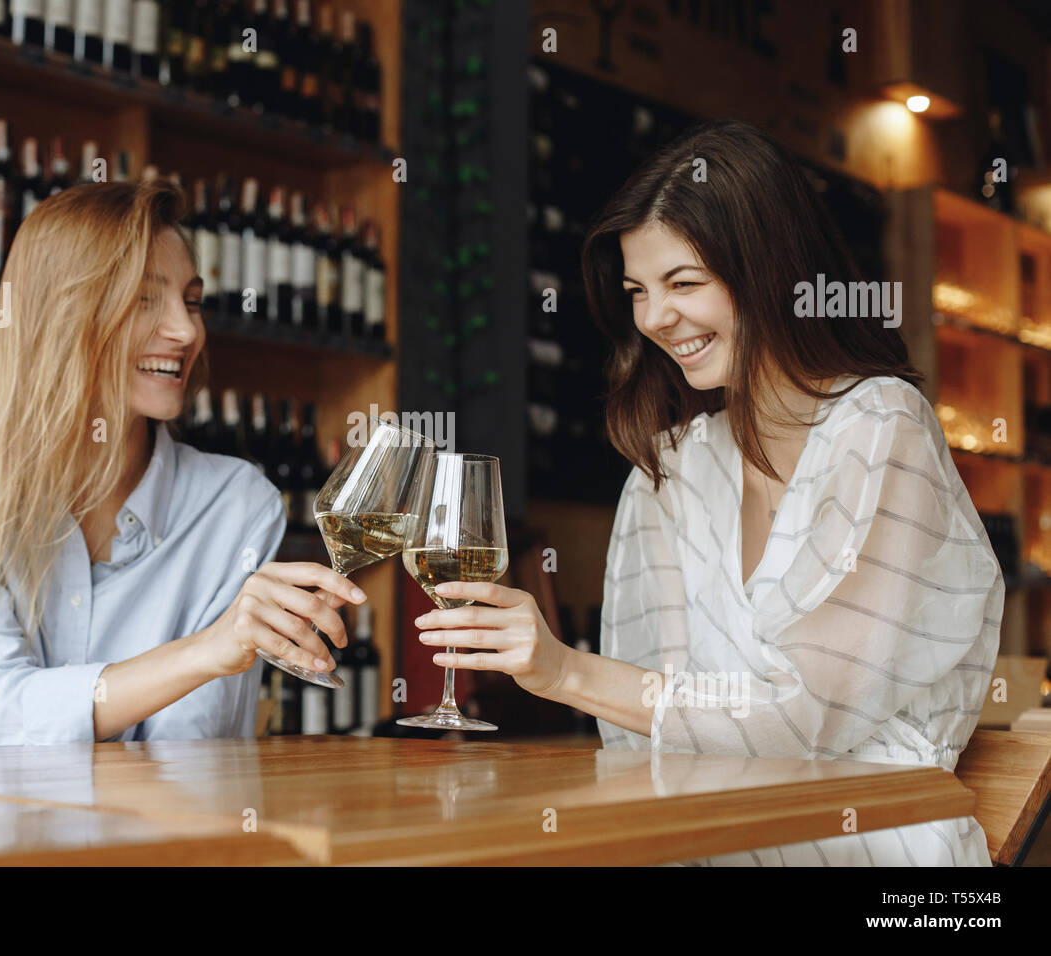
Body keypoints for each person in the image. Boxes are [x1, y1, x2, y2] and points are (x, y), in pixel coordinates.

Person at [413, 120, 1001, 866]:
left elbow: (805, 717)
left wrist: (563, 671)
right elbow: (639, 737)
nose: (656, 318)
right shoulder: (678, 464)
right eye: (638, 292)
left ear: (769, 270)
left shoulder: (883, 427)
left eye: (684, 284)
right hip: (717, 842)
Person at [0, 180, 362, 748]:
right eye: (144, 298)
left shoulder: (235, 507)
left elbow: (187, 761)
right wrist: (203, 651)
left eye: (191, 300)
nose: (187, 331)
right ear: (60, 314)